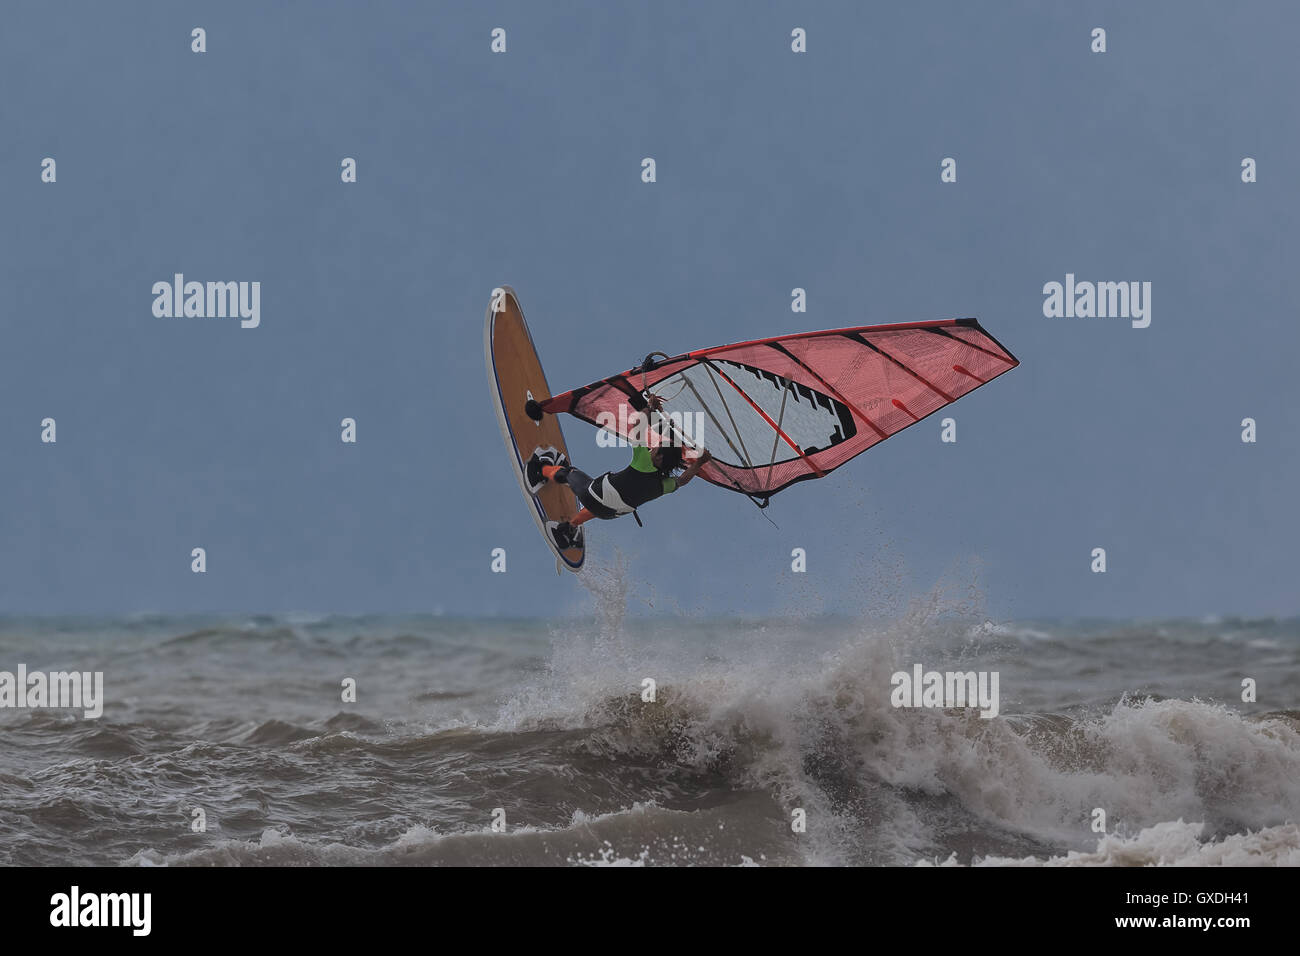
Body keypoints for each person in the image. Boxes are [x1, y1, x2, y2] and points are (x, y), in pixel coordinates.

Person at [526, 394, 712, 550]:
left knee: (569, 473)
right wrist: (698, 465)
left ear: (660, 458)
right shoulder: (664, 484)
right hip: (608, 514)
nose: (652, 447)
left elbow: (638, 425)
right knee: (608, 501)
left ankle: (540, 471)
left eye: (655, 448)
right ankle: (569, 528)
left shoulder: (644, 461)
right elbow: (682, 480)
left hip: (593, 494)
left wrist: (649, 407)